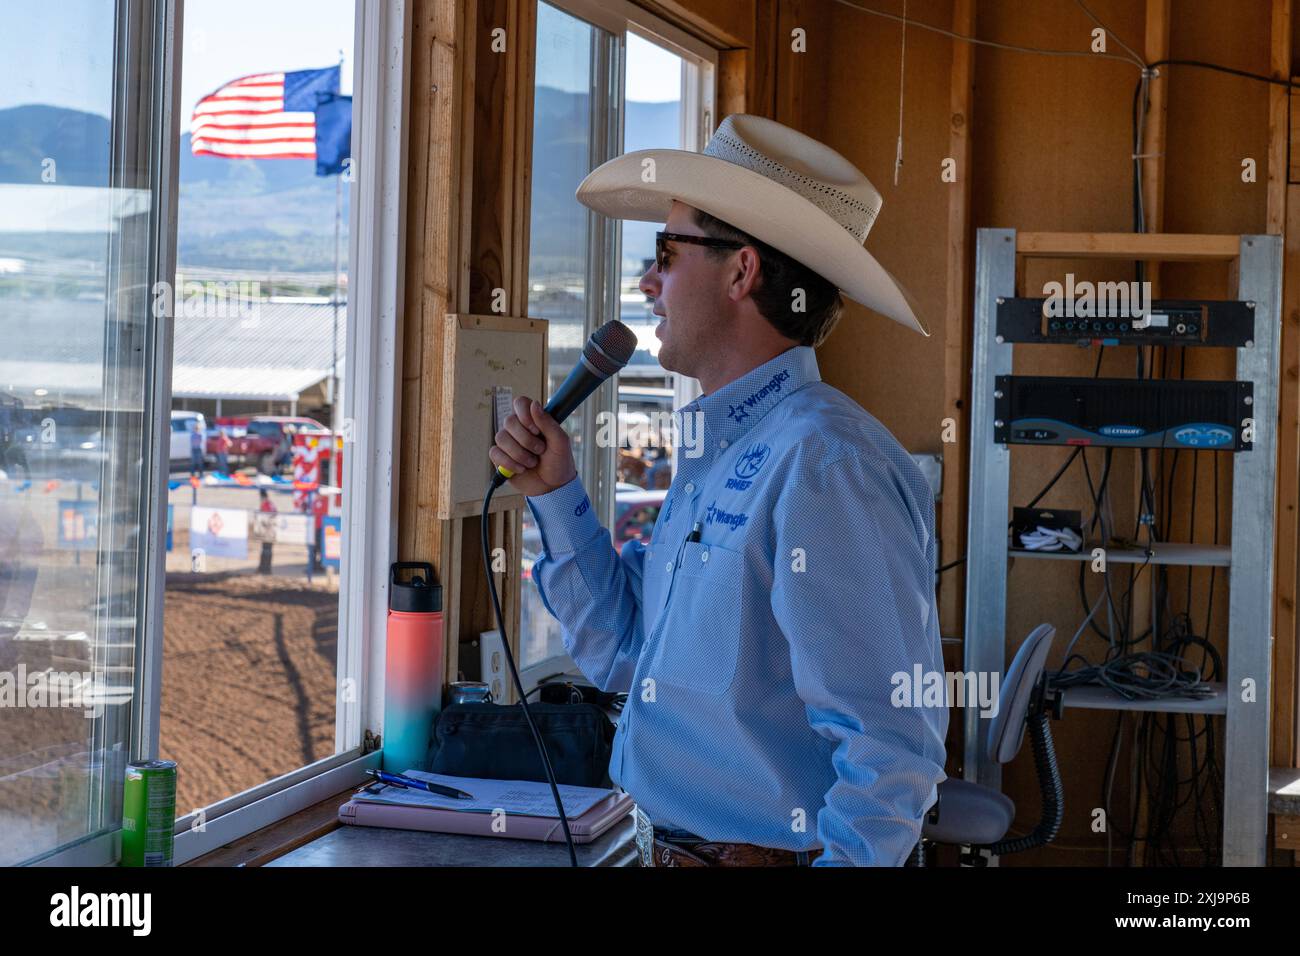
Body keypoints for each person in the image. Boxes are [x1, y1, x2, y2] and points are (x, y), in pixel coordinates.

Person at [489, 114, 946, 867]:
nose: (647, 281)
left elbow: (893, 747)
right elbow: (628, 657)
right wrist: (557, 492)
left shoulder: (826, 465)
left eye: (666, 254)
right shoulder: (722, 449)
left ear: (741, 272)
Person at [256, 488, 276, 574]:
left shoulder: (265, 505)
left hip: (267, 530)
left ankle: (264, 568)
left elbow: (264, 518)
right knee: (267, 549)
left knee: (266, 549)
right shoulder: (271, 504)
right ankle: (265, 568)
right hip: (272, 530)